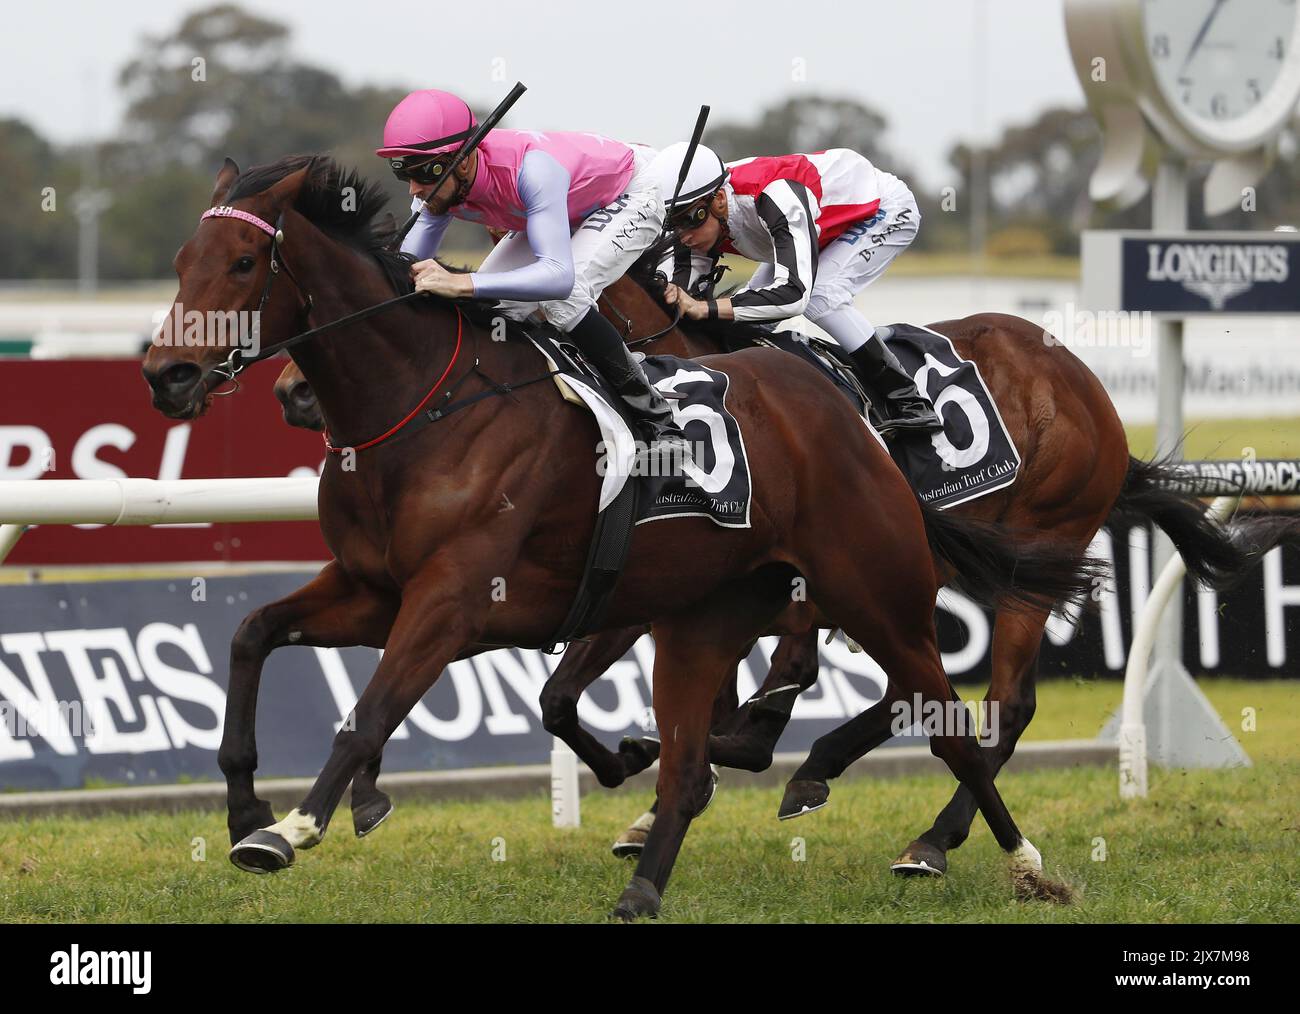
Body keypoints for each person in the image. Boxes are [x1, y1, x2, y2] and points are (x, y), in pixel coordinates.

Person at [378, 89, 689, 454]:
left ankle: (659, 423)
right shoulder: (439, 187)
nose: (415, 189)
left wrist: (460, 282)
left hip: (630, 191)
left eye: (423, 173)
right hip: (561, 206)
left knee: (564, 299)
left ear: (462, 161)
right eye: (404, 174)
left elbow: (557, 277)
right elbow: (405, 272)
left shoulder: (532, 170)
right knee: (498, 308)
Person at [649, 142, 942, 435]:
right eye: (672, 225)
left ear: (720, 200)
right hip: (814, 226)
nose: (683, 236)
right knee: (752, 311)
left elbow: (794, 296)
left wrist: (704, 307)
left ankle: (909, 400)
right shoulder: (698, 218)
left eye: (690, 220)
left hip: (880, 209)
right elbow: (680, 298)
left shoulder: (773, 195)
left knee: (820, 297)